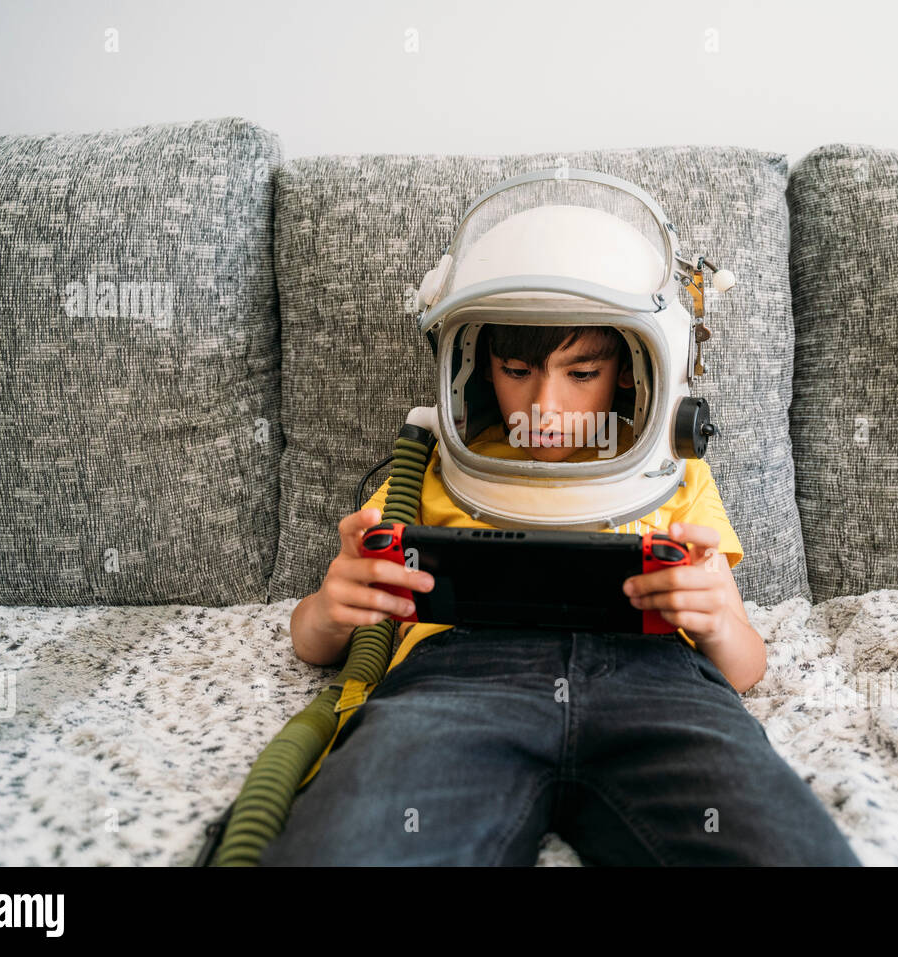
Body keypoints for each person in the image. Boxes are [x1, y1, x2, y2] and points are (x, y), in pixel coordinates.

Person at [258, 168, 860, 866]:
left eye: (580, 374)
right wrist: (331, 610)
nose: (545, 403)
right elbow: (314, 639)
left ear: (635, 371)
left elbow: (747, 667)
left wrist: (721, 618)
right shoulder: (422, 472)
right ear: (475, 365)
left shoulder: (676, 474)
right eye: (518, 368)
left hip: (658, 687)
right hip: (453, 685)